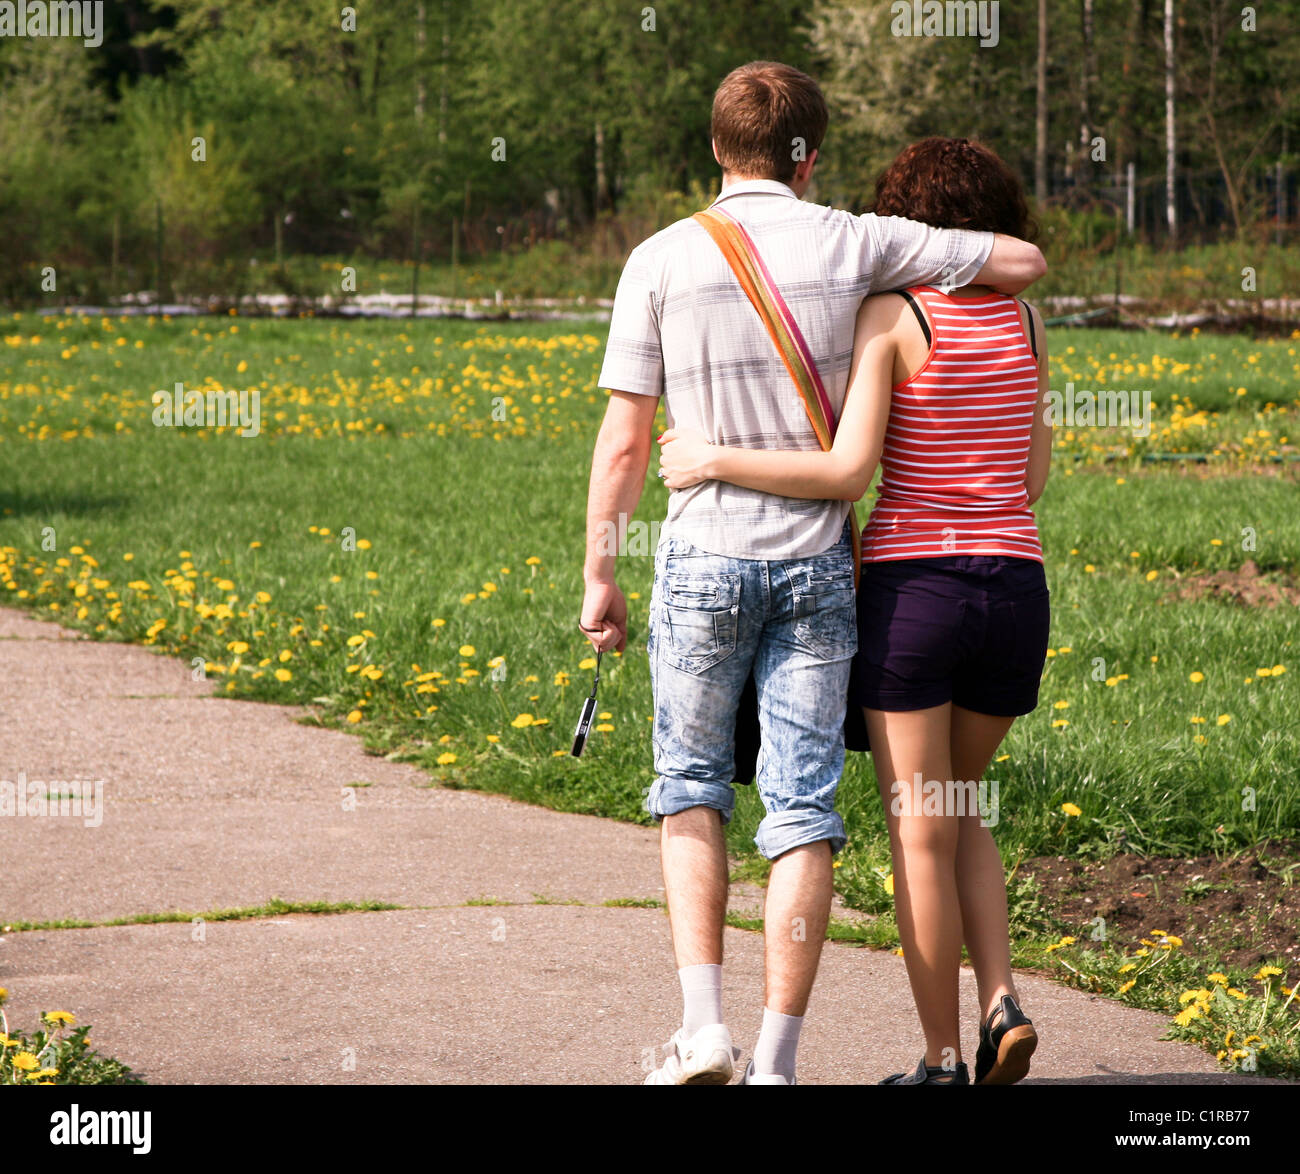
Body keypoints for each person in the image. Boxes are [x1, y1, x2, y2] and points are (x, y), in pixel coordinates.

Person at [581, 65, 1045, 1086]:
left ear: (715, 148)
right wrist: (958, 258)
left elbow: (623, 444)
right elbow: (1019, 258)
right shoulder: (855, 241)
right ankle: (782, 1063)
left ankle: (707, 1031)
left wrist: (601, 575)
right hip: (826, 569)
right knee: (809, 810)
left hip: (709, 559)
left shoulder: (657, 257)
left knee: (693, 789)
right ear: (810, 155)